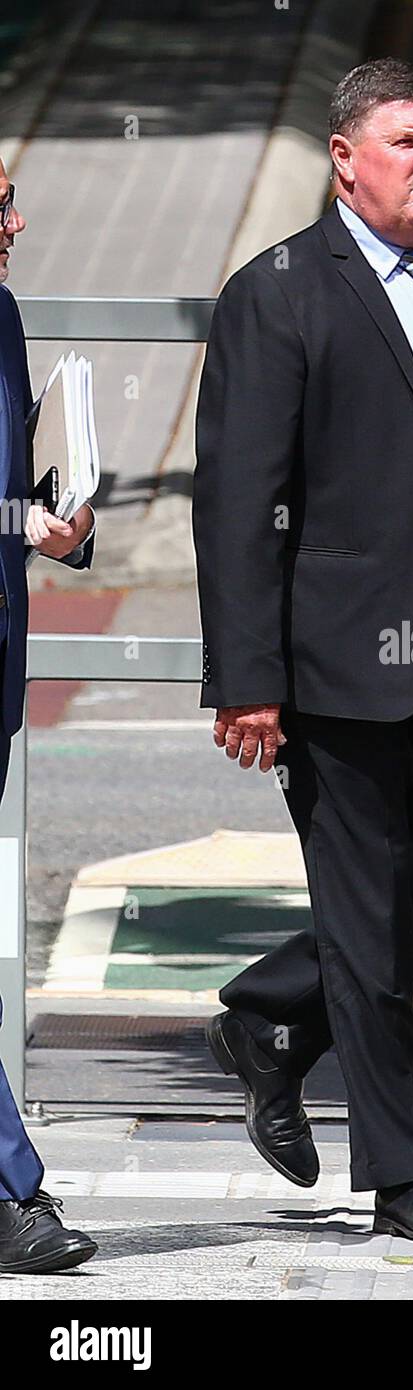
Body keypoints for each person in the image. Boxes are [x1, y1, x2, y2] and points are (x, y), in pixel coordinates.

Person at [193, 58, 413, 1244]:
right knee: (363, 913)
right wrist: (247, 678)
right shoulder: (282, 291)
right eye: (408, 140)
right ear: (345, 158)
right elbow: (239, 503)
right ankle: (405, 1174)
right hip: (330, 662)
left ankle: (274, 1018)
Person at [0, 163, 98, 1273]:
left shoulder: (5, 314)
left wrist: (56, 518)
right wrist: (19, 521)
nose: (18, 222)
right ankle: (12, 1189)